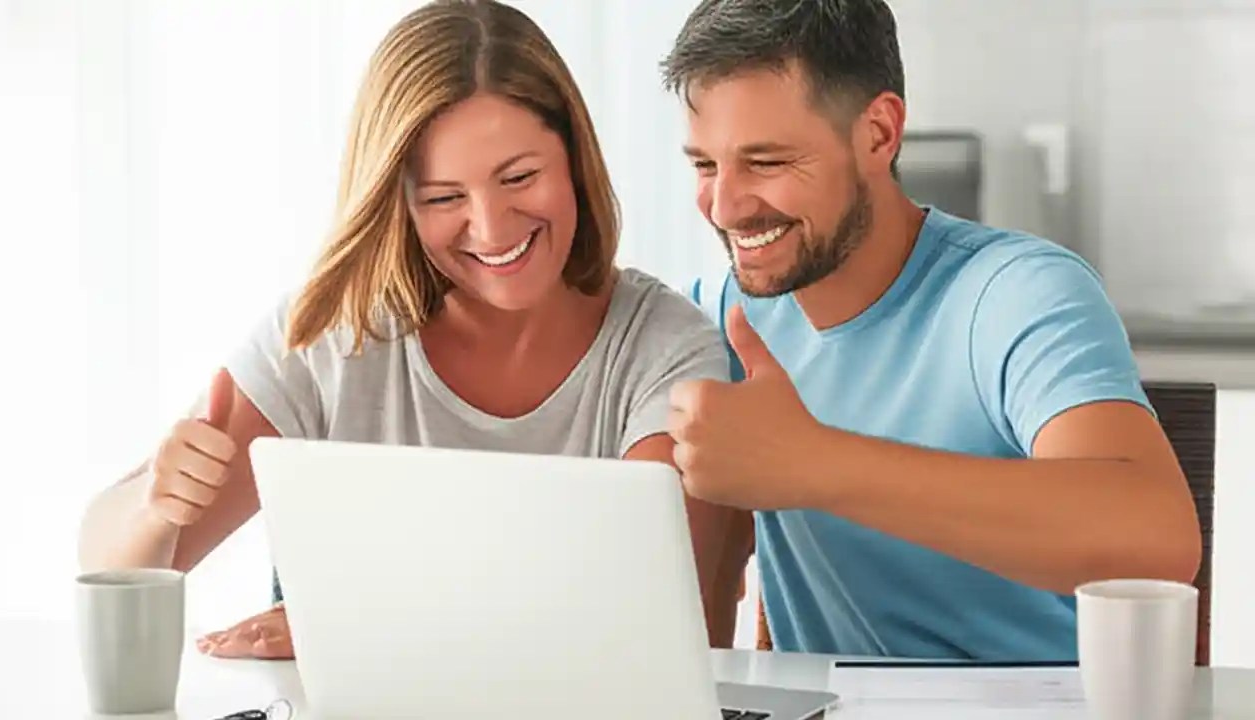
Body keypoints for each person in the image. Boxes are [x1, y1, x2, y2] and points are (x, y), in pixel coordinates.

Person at [77, 0, 747, 659]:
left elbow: (641, 616)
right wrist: (156, 508)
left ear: (575, 158)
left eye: (519, 177)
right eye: (444, 198)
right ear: (397, 202)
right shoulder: (333, 338)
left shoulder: (665, 349)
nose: (491, 228)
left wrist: (361, 628)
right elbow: (104, 562)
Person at [660, 0, 1203, 661]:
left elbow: (1154, 540)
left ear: (879, 134)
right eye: (705, 166)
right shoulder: (717, 317)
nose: (725, 207)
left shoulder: (1016, 295)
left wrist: (812, 463)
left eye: (767, 162)